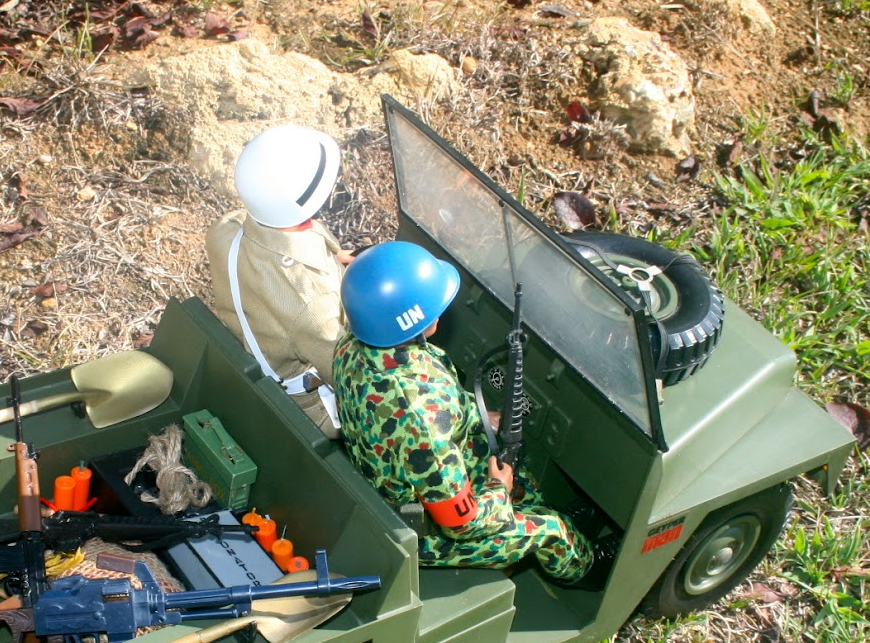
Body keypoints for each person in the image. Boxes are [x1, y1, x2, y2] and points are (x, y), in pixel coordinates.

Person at [333, 241, 594, 582]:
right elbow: (461, 523)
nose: (438, 312)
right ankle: (585, 568)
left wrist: (473, 414)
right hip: (422, 529)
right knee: (554, 531)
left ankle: (538, 515)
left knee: (517, 474)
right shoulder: (423, 420)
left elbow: (430, 403)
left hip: (394, 473)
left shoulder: (350, 346)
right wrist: (498, 491)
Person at [208, 125, 353, 438]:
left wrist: (333, 261)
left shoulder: (223, 231)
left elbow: (276, 236)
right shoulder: (314, 307)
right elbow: (353, 379)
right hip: (310, 410)